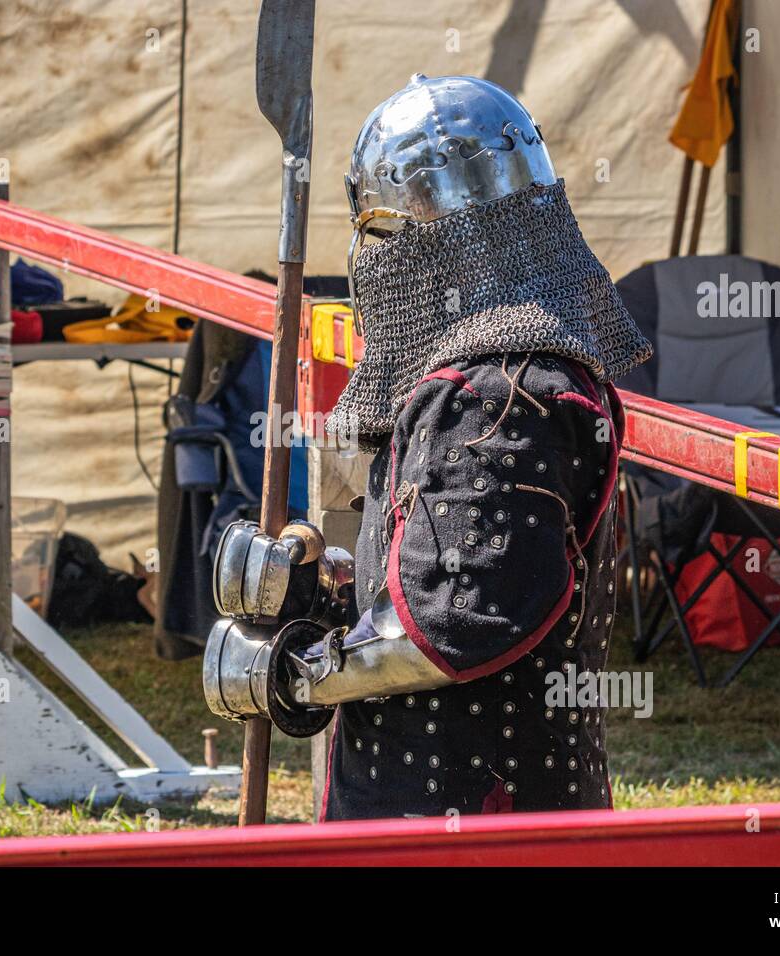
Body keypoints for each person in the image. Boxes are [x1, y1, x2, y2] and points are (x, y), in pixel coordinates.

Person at [203, 74, 652, 820]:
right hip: (493, 790)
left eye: (377, 232)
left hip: (458, 807)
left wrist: (289, 674)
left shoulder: (494, 396)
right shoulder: (533, 370)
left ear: (427, 236)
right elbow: (467, 569)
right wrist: (330, 581)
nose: (367, 256)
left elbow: (450, 626)